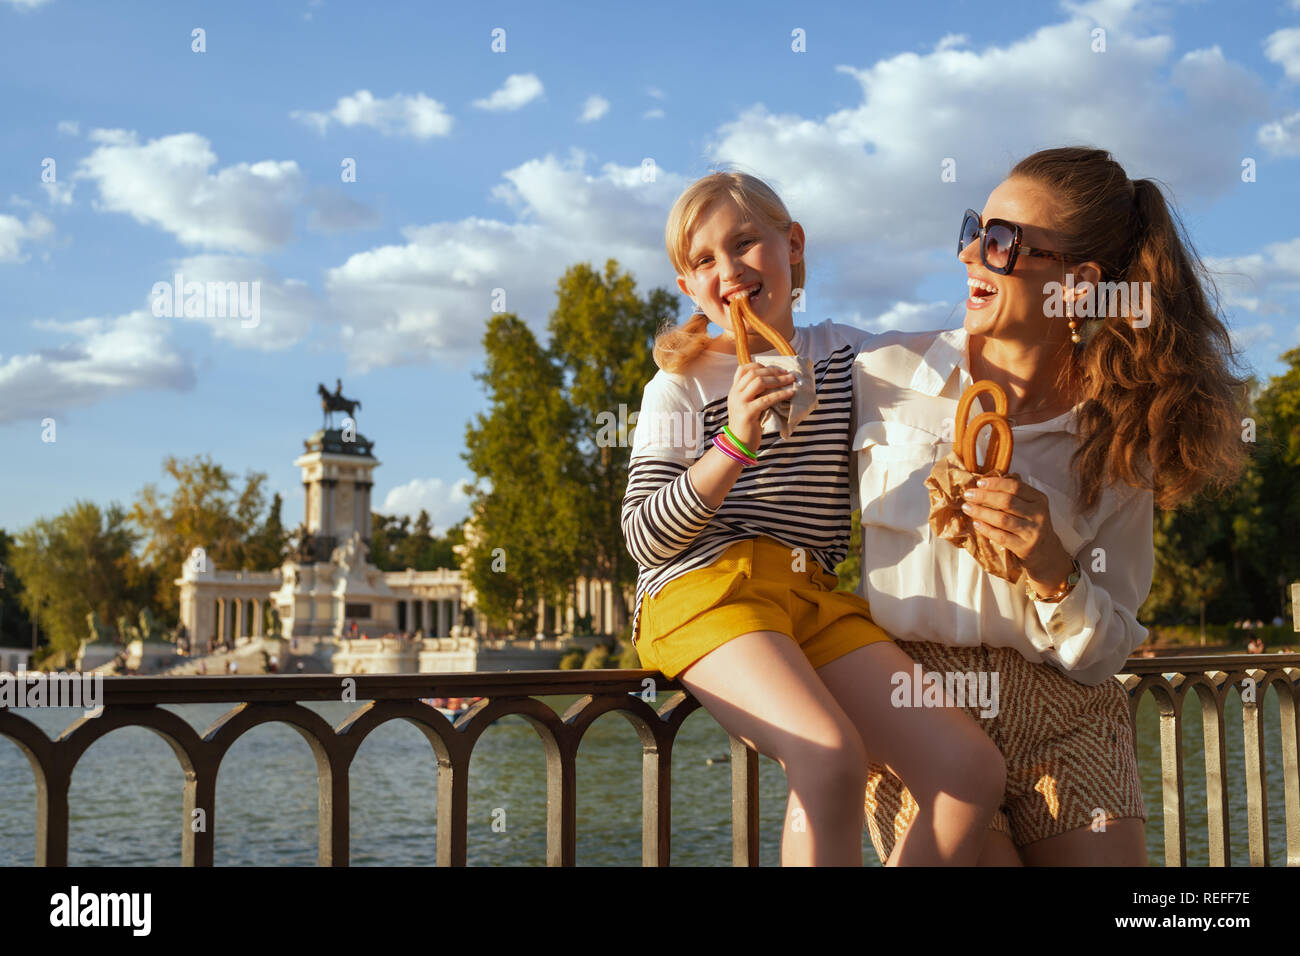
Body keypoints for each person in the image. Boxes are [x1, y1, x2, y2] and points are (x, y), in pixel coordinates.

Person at [852, 146, 1248, 866]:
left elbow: (1106, 650)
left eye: (1001, 241)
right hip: (915, 704)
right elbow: (752, 377)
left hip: (1066, 714)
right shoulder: (883, 376)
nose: (972, 251)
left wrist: (1052, 569)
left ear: (1077, 284)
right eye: (975, 226)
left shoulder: (1117, 439)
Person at [623, 170, 1006, 866]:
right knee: (829, 757)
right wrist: (733, 440)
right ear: (689, 288)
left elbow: (968, 350)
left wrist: (1024, 279)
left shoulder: (844, 357)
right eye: (704, 261)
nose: (729, 270)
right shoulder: (678, 384)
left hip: (812, 595)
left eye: (746, 243)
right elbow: (645, 538)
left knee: (970, 775)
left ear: (792, 246)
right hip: (703, 589)